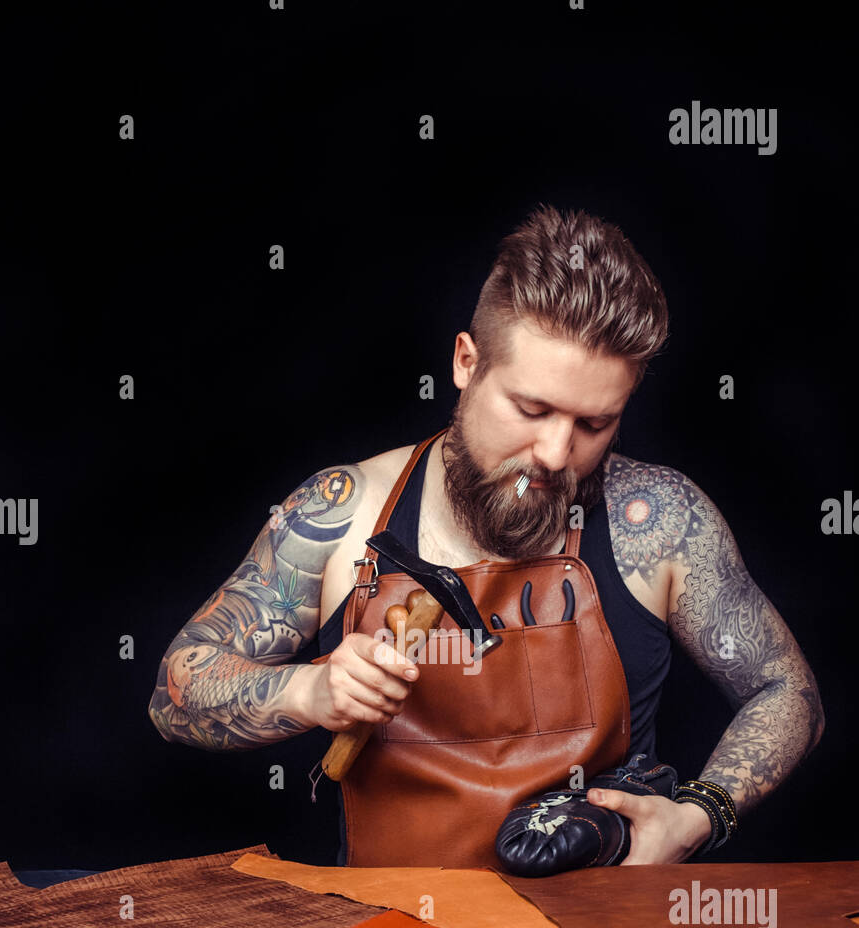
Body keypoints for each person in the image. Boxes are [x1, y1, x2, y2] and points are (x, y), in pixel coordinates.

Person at [148, 205, 824, 867]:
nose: (557, 453)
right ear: (466, 363)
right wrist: (307, 692)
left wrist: (699, 813)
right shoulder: (344, 512)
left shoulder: (660, 520)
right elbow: (173, 695)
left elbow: (785, 691)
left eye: (594, 423)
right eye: (532, 409)